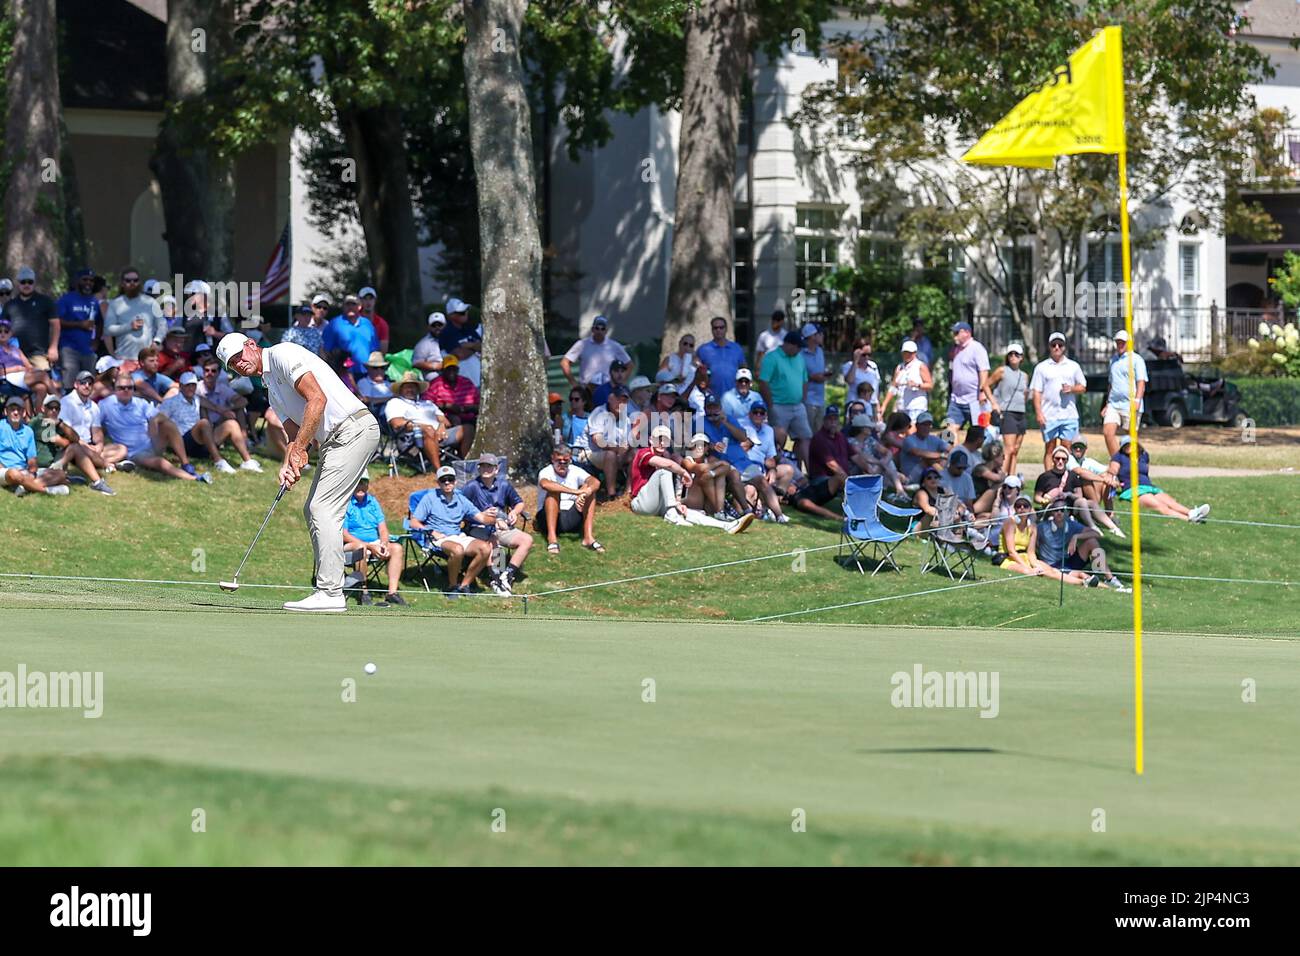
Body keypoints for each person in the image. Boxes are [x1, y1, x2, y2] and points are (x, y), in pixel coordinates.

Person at [218, 330, 381, 612]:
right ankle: (330, 588)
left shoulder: (284, 353)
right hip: (336, 439)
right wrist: (288, 462)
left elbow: (316, 400)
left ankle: (330, 593)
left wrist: (302, 449)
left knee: (322, 509)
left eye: (239, 356)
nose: (239, 364)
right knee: (314, 510)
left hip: (353, 429)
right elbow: (293, 433)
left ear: (251, 344)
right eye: (232, 364)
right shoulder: (270, 387)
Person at [629, 424, 754, 533]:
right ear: (651, 440)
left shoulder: (708, 459)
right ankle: (672, 514)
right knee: (664, 471)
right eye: (658, 439)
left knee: (688, 512)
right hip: (641, 503)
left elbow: (726, 468)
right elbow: (669, 465)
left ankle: (727, 525)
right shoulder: (643, 452)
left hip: (658, 503)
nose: (662, 443)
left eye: (665, 440)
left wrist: (676, 503)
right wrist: (684, 472)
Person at [409, 465, 497, 597]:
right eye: (443, 480)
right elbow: (414, 522)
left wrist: (497, 519)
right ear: (438, 483)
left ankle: (465, 584)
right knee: (457, 549)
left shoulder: (461, 499)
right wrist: (432, 532)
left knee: (485, 548)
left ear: (455, 481)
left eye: (450, 479)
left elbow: (482, 518)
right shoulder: (430, 498)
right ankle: (452, 586)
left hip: (458, 536)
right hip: (438, 538)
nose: (447, 483)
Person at [161, 370, 261, 474]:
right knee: (204, 422)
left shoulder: (197, 399)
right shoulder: (171, 402)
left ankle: (247, 461)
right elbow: (159, 419)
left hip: (201, 440)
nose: (191, 388)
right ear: (181, 386)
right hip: (184, 441)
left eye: (193, 385)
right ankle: (218, 461)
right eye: (187, 385)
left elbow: (215, 408)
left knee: (232, 424)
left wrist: (226, 412)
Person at [461, 452, 533, 596]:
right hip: (478, 527)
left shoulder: (504, 485)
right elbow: (460, 510)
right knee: (493, 540)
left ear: (496, 469)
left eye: (490, 466)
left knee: (527, 540)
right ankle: (496, 579)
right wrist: (483, 516)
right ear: (478, 469)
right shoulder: (471, 487)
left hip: (502, 526)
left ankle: (508, 575)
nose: (486, 469)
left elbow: (519, 503)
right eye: (483, 466)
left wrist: (514, 513)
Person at [1107, 435, 1209, 523]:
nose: (1128, 447)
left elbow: (1145, 471)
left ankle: (1192, 513)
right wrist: (1113, 478)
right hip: (1133, 489)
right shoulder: (1119, 456)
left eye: (1129, 444)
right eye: (1125, 446)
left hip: (1148, 487)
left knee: (1171, 502)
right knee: (1161, 506)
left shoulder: (1144, 455)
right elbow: (1113, 470)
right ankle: (1189, 519)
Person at [1032, 503, 1131, 591]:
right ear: (1052, 513)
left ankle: (1110, 578)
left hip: (1068, 560)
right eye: (1056, 510)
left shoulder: (1071, 524)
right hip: (1052, 565)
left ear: (1066, 512)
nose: (1059, 513)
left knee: (1092, 541)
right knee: (1082, 575)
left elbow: (1096, 533)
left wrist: (1076, 537)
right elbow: (1033, 543)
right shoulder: (1042, 527)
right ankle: (1111, 589)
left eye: (1062, 510)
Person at [342, 476, 406, 606]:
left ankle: (392, 593)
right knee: (361, 547)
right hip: (351, 545)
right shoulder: (345, 503)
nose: (361, 486)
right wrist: (371, 547)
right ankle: (364, 591)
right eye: (358, 482)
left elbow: (382, 529)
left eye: (364, 483)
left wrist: (384, 543)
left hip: (374, 542)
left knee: (397, 548)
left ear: (368, 485)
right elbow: (344, 534)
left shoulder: (372, 501)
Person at [1029, 331, 1087, 466]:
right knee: (1050, 449)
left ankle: (1066, 482)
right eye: (1053, 345)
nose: (1056, 347)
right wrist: (1039, 413)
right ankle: (1049, 481)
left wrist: (1071, 389)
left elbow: (1083, 386)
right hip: (1049, 415)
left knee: (1067, 449)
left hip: (1069, 415)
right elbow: (1037, 391)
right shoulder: (1041, 367)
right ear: (1049, 347)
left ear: (1064, 347)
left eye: (1060, 345)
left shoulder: (1073, 366)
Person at [535, 444, 602, 554]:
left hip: (571, 516)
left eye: (565, 461)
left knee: (590, 491)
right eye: (558, 461)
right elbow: (545, 484)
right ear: (552, 459)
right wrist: (575, 492)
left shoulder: (575, 470)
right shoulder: (545, 472)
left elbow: (595, 482)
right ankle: (552, 539)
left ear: (570, 459)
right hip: (547, 517)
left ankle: (588, 537)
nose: (562, 464)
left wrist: (585, 493)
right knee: (553, 493)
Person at [758, 329, 811, 469]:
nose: (799, 350)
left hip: (798, 405)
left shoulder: (799, 358)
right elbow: (763, 382)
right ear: (789, 344)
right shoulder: (772, 357)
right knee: (778, 440)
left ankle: (808, 472)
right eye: (798, 347)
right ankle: (775, 470)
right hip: (778, 405)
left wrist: (803, 398)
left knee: (804, 437)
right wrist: (771, 405)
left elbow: (805, 379)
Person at [384, 371, 454, 470]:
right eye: (407, 387)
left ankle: (466, 465)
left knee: (467, 429)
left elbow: (445, 421)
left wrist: (441, 426)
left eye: (413, 386)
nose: (410, 389)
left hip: (440, 434)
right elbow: (396, 423)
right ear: (400, 389)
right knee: (428, 430)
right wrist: (422, 427)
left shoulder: (428, 403)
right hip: (413, 437)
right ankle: (439, 470)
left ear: (418, 389)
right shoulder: (395, 403)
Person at [2, 395, 70, 496]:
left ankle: (25, 487)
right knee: (14, 474)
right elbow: (62, 442)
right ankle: (47, 491)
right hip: (6, 470)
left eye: (57, 408)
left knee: (60, 474)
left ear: (24, 412)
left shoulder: (28, 431)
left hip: (24, 470)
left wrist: (32, 473)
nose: (16, 412)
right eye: (12, 410)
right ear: (5, 412)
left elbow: (32, 461)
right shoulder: (38, 422)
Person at [104, 267, 165, 366]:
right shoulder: (115, 304)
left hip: (147, 359)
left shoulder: (150, 302)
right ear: (122, 284)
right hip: (124, 358)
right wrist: (129, 326)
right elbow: (108, 330)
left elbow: (162, 324)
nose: (132, 283)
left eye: (135, 280)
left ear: (139, 282)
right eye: (128, 280)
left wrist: (157, 341)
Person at [1101, 329, 1148, 458]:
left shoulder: (1137, 360)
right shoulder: (1113, 361)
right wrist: (1107, 404)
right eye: (1118, 342)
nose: (1120, 345)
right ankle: (1118, 462)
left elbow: (1141, 382)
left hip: (1130, 403)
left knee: (1131, 438)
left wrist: (1137, 400)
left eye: (1123, 342)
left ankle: (1136, 463)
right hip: (1114, 404)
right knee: (1107, 432)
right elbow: (1111, 384)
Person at [987, 342, 1029, 477]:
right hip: (1008, 412)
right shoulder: (1002, 371)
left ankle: (1012, 481)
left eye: (1016, 354)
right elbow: (986, 385)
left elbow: (1024, 394)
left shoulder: (1024, 376)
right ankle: (1001, 478)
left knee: (1015, 450)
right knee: (1009, 448)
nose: (1013, 356)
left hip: (1021, 413)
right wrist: (994, 403)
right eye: (1010, 354)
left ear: (1022, 357)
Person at [423, 355, 478, 457]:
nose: (451, 372)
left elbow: (479, 404)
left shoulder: (467, 382)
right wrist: (447, 406)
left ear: (458, 370)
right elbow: (427, 404)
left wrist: (466, 408)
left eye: (454, 369)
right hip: (447, 419)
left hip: (468, 415)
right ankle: (464, 457)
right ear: (443, 370)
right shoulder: (436, 384)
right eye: (448, 369)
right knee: (457, 421)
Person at [4, 267, 57, 370]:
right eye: (23, 282)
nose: (26, 285)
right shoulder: (10, 305)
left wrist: (53, 348)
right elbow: (3, 328)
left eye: (30, 282)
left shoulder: (45, 301)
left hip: (39, 354)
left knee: (43, 380)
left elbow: (55, 325)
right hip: (14, 354)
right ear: (18, 284)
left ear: (34, 283)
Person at [54, 268, 100, 387]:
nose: (88, 283)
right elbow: (57, 321)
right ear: (77, 281)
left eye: (91, 280)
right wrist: (79, 324)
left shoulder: (94, 301)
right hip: (69, 348)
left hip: (88, 349)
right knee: (70, 383)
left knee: (88, 384)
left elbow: (100, 322)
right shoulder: (66, 299)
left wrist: (96, 342)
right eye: (85, 280)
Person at [586, 386, 634, 499]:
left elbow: (627, 442)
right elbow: (597, 440)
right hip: (592, 453)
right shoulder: (598, 413)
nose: (621, 403)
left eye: (624, 401)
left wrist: (627, 448)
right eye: (618, 399)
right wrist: (617, 449)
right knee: (610, 455)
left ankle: (628, 493)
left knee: (636, 454)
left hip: (616, 454)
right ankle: (611, 495)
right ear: (610, 398)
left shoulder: (625, 419)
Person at [944, 321, 991, 432]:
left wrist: (982, 391)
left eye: (956, 332)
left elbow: (983, 371)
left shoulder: (977, 348)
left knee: (979, 430)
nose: (954, 335)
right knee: (948, 429)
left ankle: (984, 448)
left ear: (967, 333)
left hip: (974, 399)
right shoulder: (955, 350)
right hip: (956, 399)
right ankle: (949, 449)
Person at [562, 314, 631, 389]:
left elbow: (629, 365)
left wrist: (620, 383)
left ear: (606, 331)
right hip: (587, 388)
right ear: (592, 329)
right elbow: (564, 362)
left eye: (603, 329)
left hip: (607, 388)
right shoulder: (582, 344)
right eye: (597, 328)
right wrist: (574, 384)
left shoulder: (614, 346)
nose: (599, 331)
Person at [322, 294, 379, 377]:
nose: (350, 307)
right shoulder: (335, 324)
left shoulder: (367, 324)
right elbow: (325, 350)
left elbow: (374, 349)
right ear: (343, 307)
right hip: (344, 375)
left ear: (359, 307)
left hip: (367, 374)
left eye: (353, 304)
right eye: (348, 304)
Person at [881, 339, 933, 423]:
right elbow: (893, 387)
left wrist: (917, 385)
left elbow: (930, 385)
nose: (908, 355)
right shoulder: (899, 367)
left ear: (915, 353)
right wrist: (884, 405)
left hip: (916, 406)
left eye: (910, 353)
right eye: (906, 352)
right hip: (902, 407)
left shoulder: (920, 366)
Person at [438, 298, 482, 387]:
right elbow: (460, 354)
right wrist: (474, 347)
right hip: (463, 384)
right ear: (451, 316)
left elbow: (482, 346)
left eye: (466, 311)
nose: (465, 314)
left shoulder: (468, 328)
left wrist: (468, 345)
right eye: (461, 313)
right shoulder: (446, 332)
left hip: (478, 380)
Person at [998, 493, 1044, 576]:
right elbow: (1011, 552)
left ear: (1030, 509)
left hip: (1025, 557)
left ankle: (1075, 581)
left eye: (1025, 506)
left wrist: (1035, 565)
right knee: (1027, 572)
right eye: (1018, 506)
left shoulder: (1032, 527)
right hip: (1008, 559)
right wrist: (1029, 568)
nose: (1022, 508)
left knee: (1050, 572)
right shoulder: (1010, 523)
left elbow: (1031, 552)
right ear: (1015, 509)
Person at [898, 411, 948, 483]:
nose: (926, 428)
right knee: (928, 459)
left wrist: (947, 455)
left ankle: (949, 479)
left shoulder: (933, 439)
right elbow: (918, 452)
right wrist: (942, 455)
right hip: (910, 476)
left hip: (928, 473)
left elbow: (949, 448)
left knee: (945, 459)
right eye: (923, 425)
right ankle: (946, 480)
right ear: (917, 425)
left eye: (928, 425)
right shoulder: (909, 440)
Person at [808, 404, 852, 480]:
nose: (833, 422)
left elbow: (855, 456)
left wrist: (869, 469)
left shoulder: (841, 437)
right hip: (823, 479)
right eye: (829, 419)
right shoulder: (819, 438)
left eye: (835, 419)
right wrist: (847, 480)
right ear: (824, 421)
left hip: (841, 476)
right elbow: (831, 464)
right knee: (838, 478)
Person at [800, 322, 828, 432]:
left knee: (820, 433)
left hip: (820, 399)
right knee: (808, 434)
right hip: (808, 400)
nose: (822, 336)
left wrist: (824, 375)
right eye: (819, 334)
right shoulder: (801, 354)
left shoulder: (820, 351)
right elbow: (799, 374)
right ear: (812, 336)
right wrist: (812, 377)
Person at [841, 338, 881, 409]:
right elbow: (850, 380)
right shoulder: (849, 366)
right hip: (855, 405)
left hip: (871, 404)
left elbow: (876, 387)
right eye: (864, 355)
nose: (867, 357)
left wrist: (878, 407)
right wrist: (855, 361)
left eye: (869, 354)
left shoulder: (873, 366)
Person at [411, 312, 445, 379]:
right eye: (433, 325)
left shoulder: (452, 339)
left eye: (440, 325)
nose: (437, 327)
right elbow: (416, 363)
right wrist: (434, 366)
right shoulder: (423, 344)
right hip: (434, 379)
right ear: (428, 327)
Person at [357, 286, 389, 353]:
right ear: (360, 300)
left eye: (371, 298)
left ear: (375, 300)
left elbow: (383, 352)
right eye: (365, 299)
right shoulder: (352, 321)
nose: (368, 302)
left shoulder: (382, 324)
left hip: (374, 361)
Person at [754, 309, 787, 374]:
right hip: (767, 367)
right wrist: (757, 369)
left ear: (782, 321)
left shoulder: (786, 336)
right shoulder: (764, 335)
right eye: (773, 320)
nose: (775, 322)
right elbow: (760, 354)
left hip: (781, 368)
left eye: (778, 320)